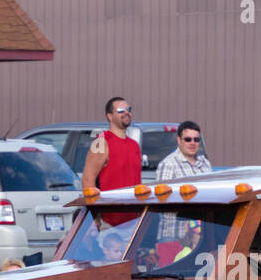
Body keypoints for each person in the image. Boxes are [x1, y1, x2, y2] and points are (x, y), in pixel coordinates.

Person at [83, 97, 142, 227]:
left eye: (129, 109)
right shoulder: (101, 142)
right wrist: (94, 216)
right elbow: (88, 179)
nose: (126, 112)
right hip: (109, 223)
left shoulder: (134, 145)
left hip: (133, 223)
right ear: (109, 116)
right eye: (121, 110)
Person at [156, 122, 212, 241]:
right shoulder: (168, 164)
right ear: (179, 140)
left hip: (201, 235)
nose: (192, 143)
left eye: (196, 139)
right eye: (188, 139)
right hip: (174, 236)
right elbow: (162, 202)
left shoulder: (205, 163)